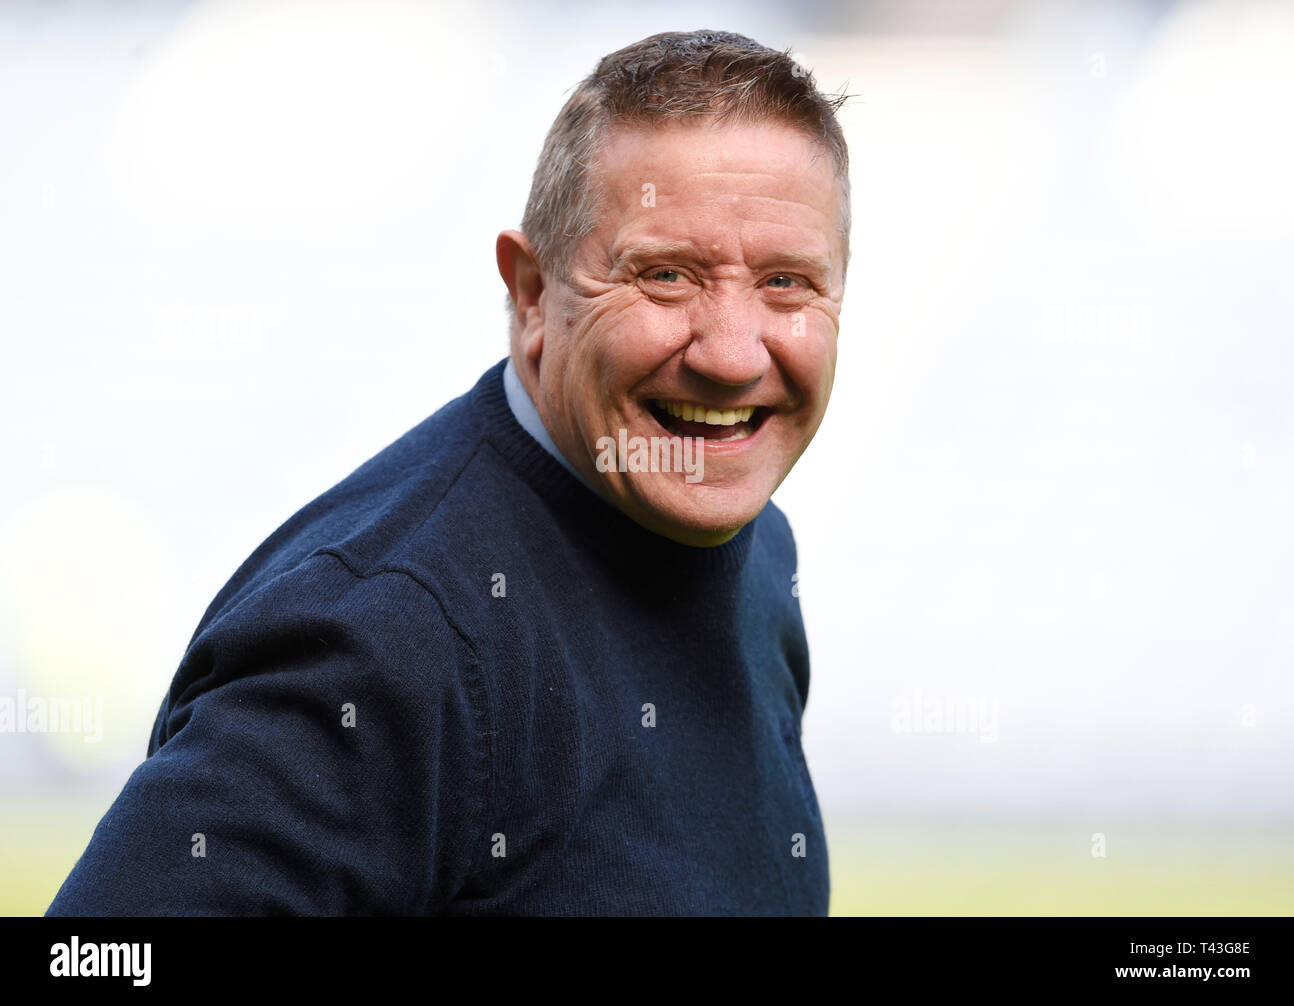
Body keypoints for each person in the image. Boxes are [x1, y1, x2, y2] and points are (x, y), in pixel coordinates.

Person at [47, 28, 850, 917]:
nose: (734, 355)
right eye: (665, 276)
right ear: (533, 294)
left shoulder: (758, 551)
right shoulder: (384, 639)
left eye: (787, 284)